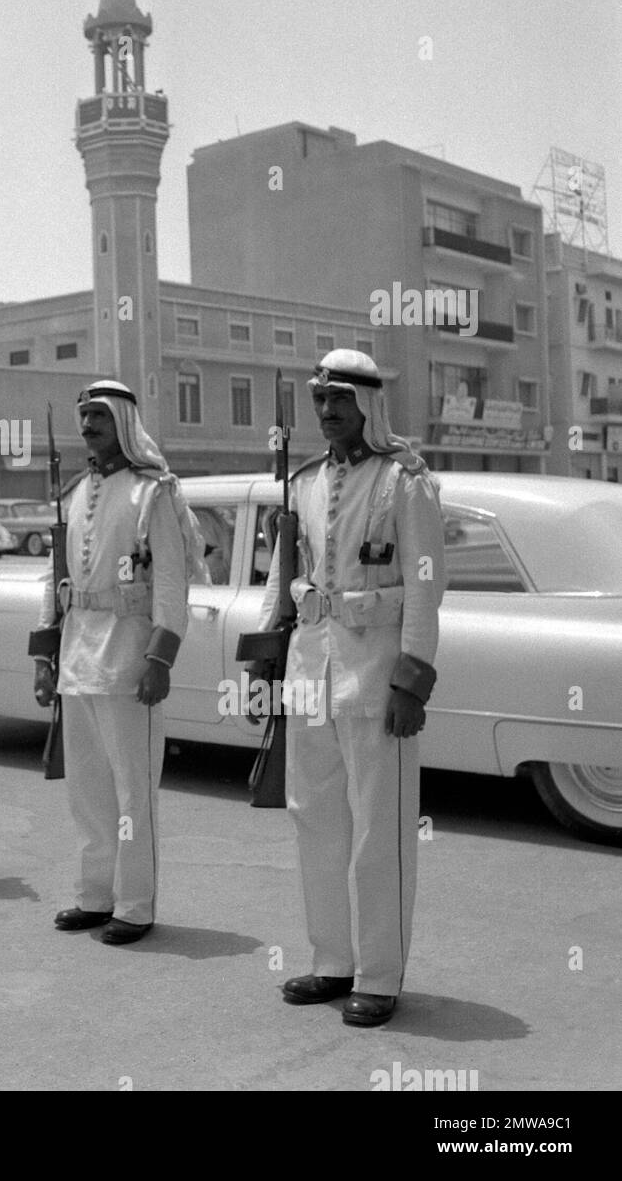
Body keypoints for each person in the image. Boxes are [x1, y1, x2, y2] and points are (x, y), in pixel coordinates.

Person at [259, 349, 446, 1027]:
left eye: (340, 398)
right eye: (320, 400)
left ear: (370, 402)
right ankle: (332, 961)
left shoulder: (405, 481)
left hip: (374, 676)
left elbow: (426, 584)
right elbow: (287, 578)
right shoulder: (305, 483)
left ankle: (379, 974)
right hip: (313, 672)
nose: (328, 411)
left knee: (380, 829)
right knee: (317, 820)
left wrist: (412, 678)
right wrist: (266, 655)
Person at [29, 381, 202, 945]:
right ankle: (94, 895)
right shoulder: (77, 492)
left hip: (130, 658)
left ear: (124, 422)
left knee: (133, 792)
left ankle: (134, 904)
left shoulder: (153, 492)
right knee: (88, 790)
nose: (87, 427)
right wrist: (44, 656)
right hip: (79, 657)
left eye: (98, 417)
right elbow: (54, 581)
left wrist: (161, 657)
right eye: (83, 417)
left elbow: (172, 584)